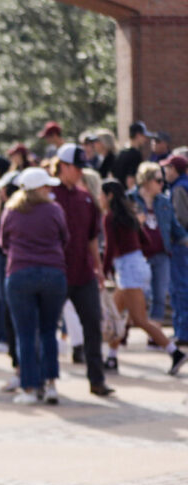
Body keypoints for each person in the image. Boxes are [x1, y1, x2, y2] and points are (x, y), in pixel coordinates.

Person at [0, 167, 69, 404]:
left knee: (26, 334)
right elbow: (64, 237)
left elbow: (3, 242)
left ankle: (29, 387)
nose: (49, 189)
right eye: (46, 186)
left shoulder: (11, 211)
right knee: (49, 330)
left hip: (20, 273)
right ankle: (50, 385)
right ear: (38, 188)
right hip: (52, 272)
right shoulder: (54, 210)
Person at [101, 179, 186, 374]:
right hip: (137, 264)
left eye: (102, 194)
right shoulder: (130, 215)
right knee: (116, 312)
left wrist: (104, 272)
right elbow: (146, 242)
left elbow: (110, 248)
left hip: (129, 268)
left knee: (139, 319)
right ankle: (111, 358)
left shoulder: (111, 217)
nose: (100, 198)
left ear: (110, 196)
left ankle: (174, 352)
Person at [51, 144, 114, 397]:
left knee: (92, 325)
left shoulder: (85, 198)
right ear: (63, 166)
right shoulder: (48, 195)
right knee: (48, 327)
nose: (79, 173)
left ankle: (97, 380)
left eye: (81, 168)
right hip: (56, 273)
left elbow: (91, 239)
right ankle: (48, 379)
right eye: (76, 168)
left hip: (83, 273)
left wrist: (98, 269)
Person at [132, 162, 177, 323]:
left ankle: (154, 335)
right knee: (141, 294)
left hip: (161, 254)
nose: (162, 184)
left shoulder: (164, 201)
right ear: (146, 181)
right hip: (138, 255)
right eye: (158, 180)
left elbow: (175, 227)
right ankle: (127, 331)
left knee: (159, 295)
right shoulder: (130, 199)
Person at [165, 155, 188, 355]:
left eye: (168, 168)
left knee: (180, 288)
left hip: (181, 244)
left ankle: (183, 332)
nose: (165, 172)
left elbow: (180, 218)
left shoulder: (180, 187)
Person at [110, 121, 149, 186]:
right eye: (144, 136)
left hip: (118, 193)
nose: (145, 139)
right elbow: (130, 180)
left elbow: (111, 175)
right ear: (138, 135)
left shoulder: (121, 152)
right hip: (127, 193)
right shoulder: (135, 154)